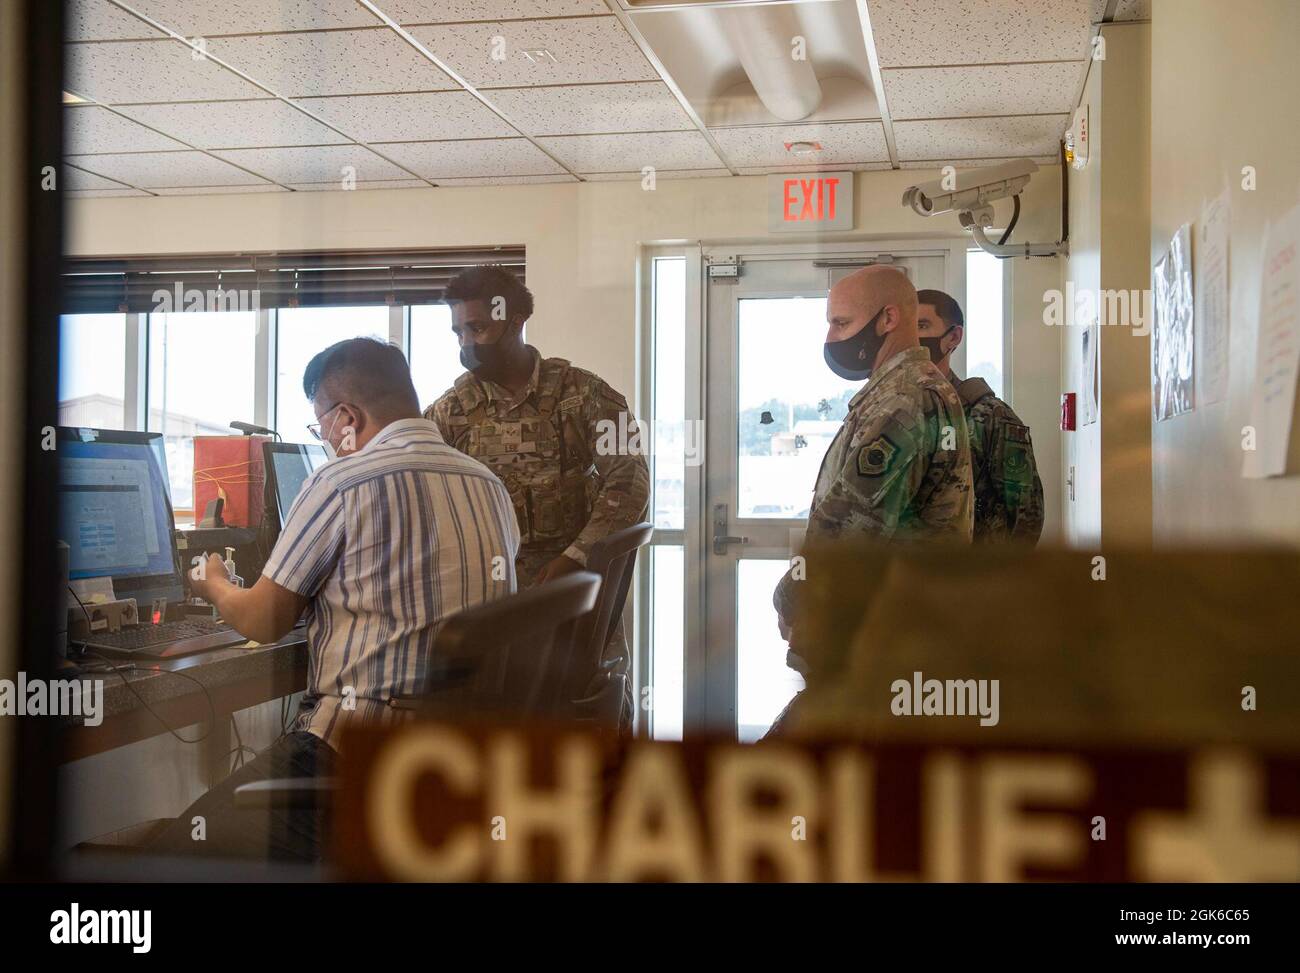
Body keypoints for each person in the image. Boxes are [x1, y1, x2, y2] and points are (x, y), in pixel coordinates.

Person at [151, 337, 520, 862]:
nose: (324, 438)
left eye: (320, 424)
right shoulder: (489, 485)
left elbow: (263, 621)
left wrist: (213, 584)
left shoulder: (343, 482)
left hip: (357, 756)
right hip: (464, 763)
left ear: (346, 416)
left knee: (172, 852)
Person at [424, 266, 649, 729]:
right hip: (490, 600)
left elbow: (629, 483)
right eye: (459, 331)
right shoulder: (450, 411)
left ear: (517, 318)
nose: (466, 342)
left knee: (586, 716)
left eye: (478, 327)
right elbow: (418, 490)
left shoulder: (585, 394)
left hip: (572, 593)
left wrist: (575, 557)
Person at [773, 266, 973, 638]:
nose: (832, 338)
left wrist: (790, 598)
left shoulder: (904, 397)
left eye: (841, 323)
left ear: (888, 319)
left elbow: (854, 525)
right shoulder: (900, 389)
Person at [916, 288, 1044, 543]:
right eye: (908, 328)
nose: (914, 337)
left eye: (923, 325)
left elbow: (1026, 516)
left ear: (953, 337)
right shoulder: (894, 412)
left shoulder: (988, 415)